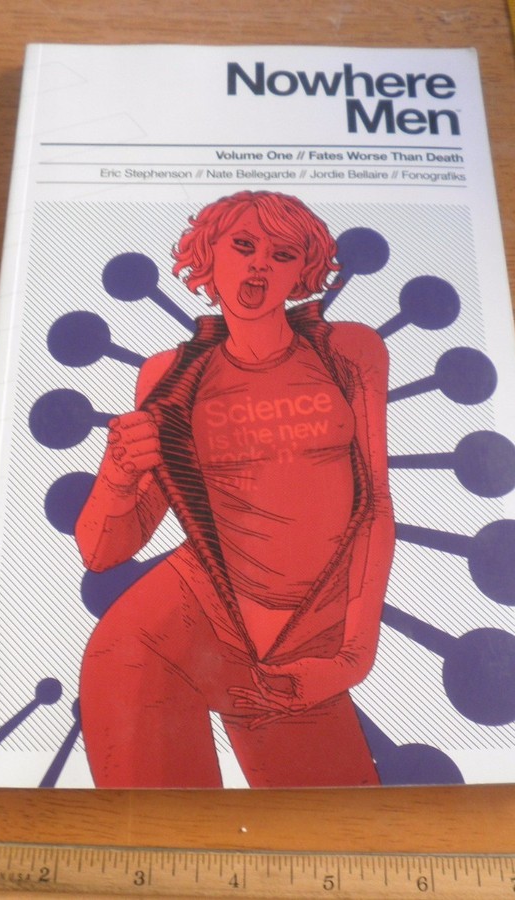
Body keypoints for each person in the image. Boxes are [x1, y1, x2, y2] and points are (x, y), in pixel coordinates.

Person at [74, 190, 394, 787]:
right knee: (161, 830)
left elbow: (374, 505)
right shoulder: (170, 375)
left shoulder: (350, 352)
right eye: (243, 246)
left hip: (306, 637)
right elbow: (102, 551)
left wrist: (352, 658)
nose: (259, 265)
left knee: (337, 822)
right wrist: (117, 475)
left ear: (302, 271)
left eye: (282, 254)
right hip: (169, 635)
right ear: (209, 255)